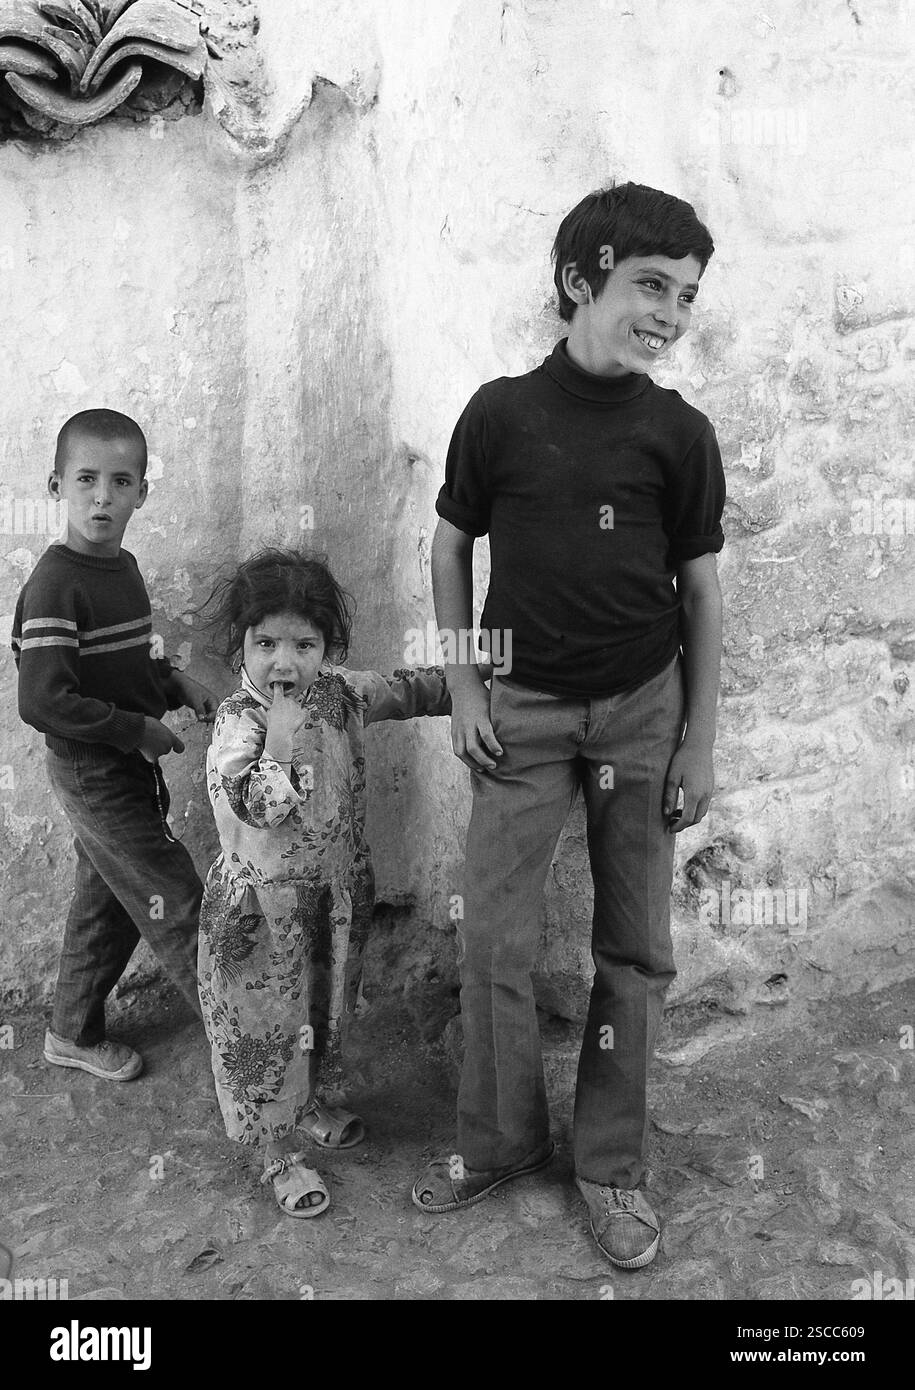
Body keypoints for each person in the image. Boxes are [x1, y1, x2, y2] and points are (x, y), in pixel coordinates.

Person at [411, 182, 726, 1270]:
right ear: (579, 279)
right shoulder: (501, 414)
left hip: (645, 711)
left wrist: (700, 737)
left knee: (634, 951)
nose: (671, 315)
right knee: (493, 934)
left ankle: (610, 1164)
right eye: (651, 286)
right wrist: (461, 690)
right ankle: (499, 1140)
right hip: (522, 711)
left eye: (685, 296)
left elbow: (700, 594)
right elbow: (449, 550)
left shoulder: (678, 433)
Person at [198, 547, 457, 1217]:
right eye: (266, 644)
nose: (284, 662)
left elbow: (405, 689)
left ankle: (308, 1105)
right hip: (260, 915)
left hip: (327, 899)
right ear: (240, 649)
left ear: (328, 647)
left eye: (304, 644)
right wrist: (279, 741)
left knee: (322, 1012)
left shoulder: (338, 693)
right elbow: (261, 806)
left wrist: (476, 681)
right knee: (266, 1032)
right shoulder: (238, 723)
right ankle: (276, 1153)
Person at [11, 408, 216, 1082]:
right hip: (91, 766)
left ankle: (70, 1033)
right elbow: (43, 700)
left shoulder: (121, 568)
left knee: (109, 898)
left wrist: (173, 680)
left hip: (121, 763)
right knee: (177, 898)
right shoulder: (55, 583)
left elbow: (123, 663)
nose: (103, 496)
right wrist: (137, 729)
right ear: (56, 485)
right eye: (87, 479)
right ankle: (249, 1045)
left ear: (141, 492)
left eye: (120, 481)